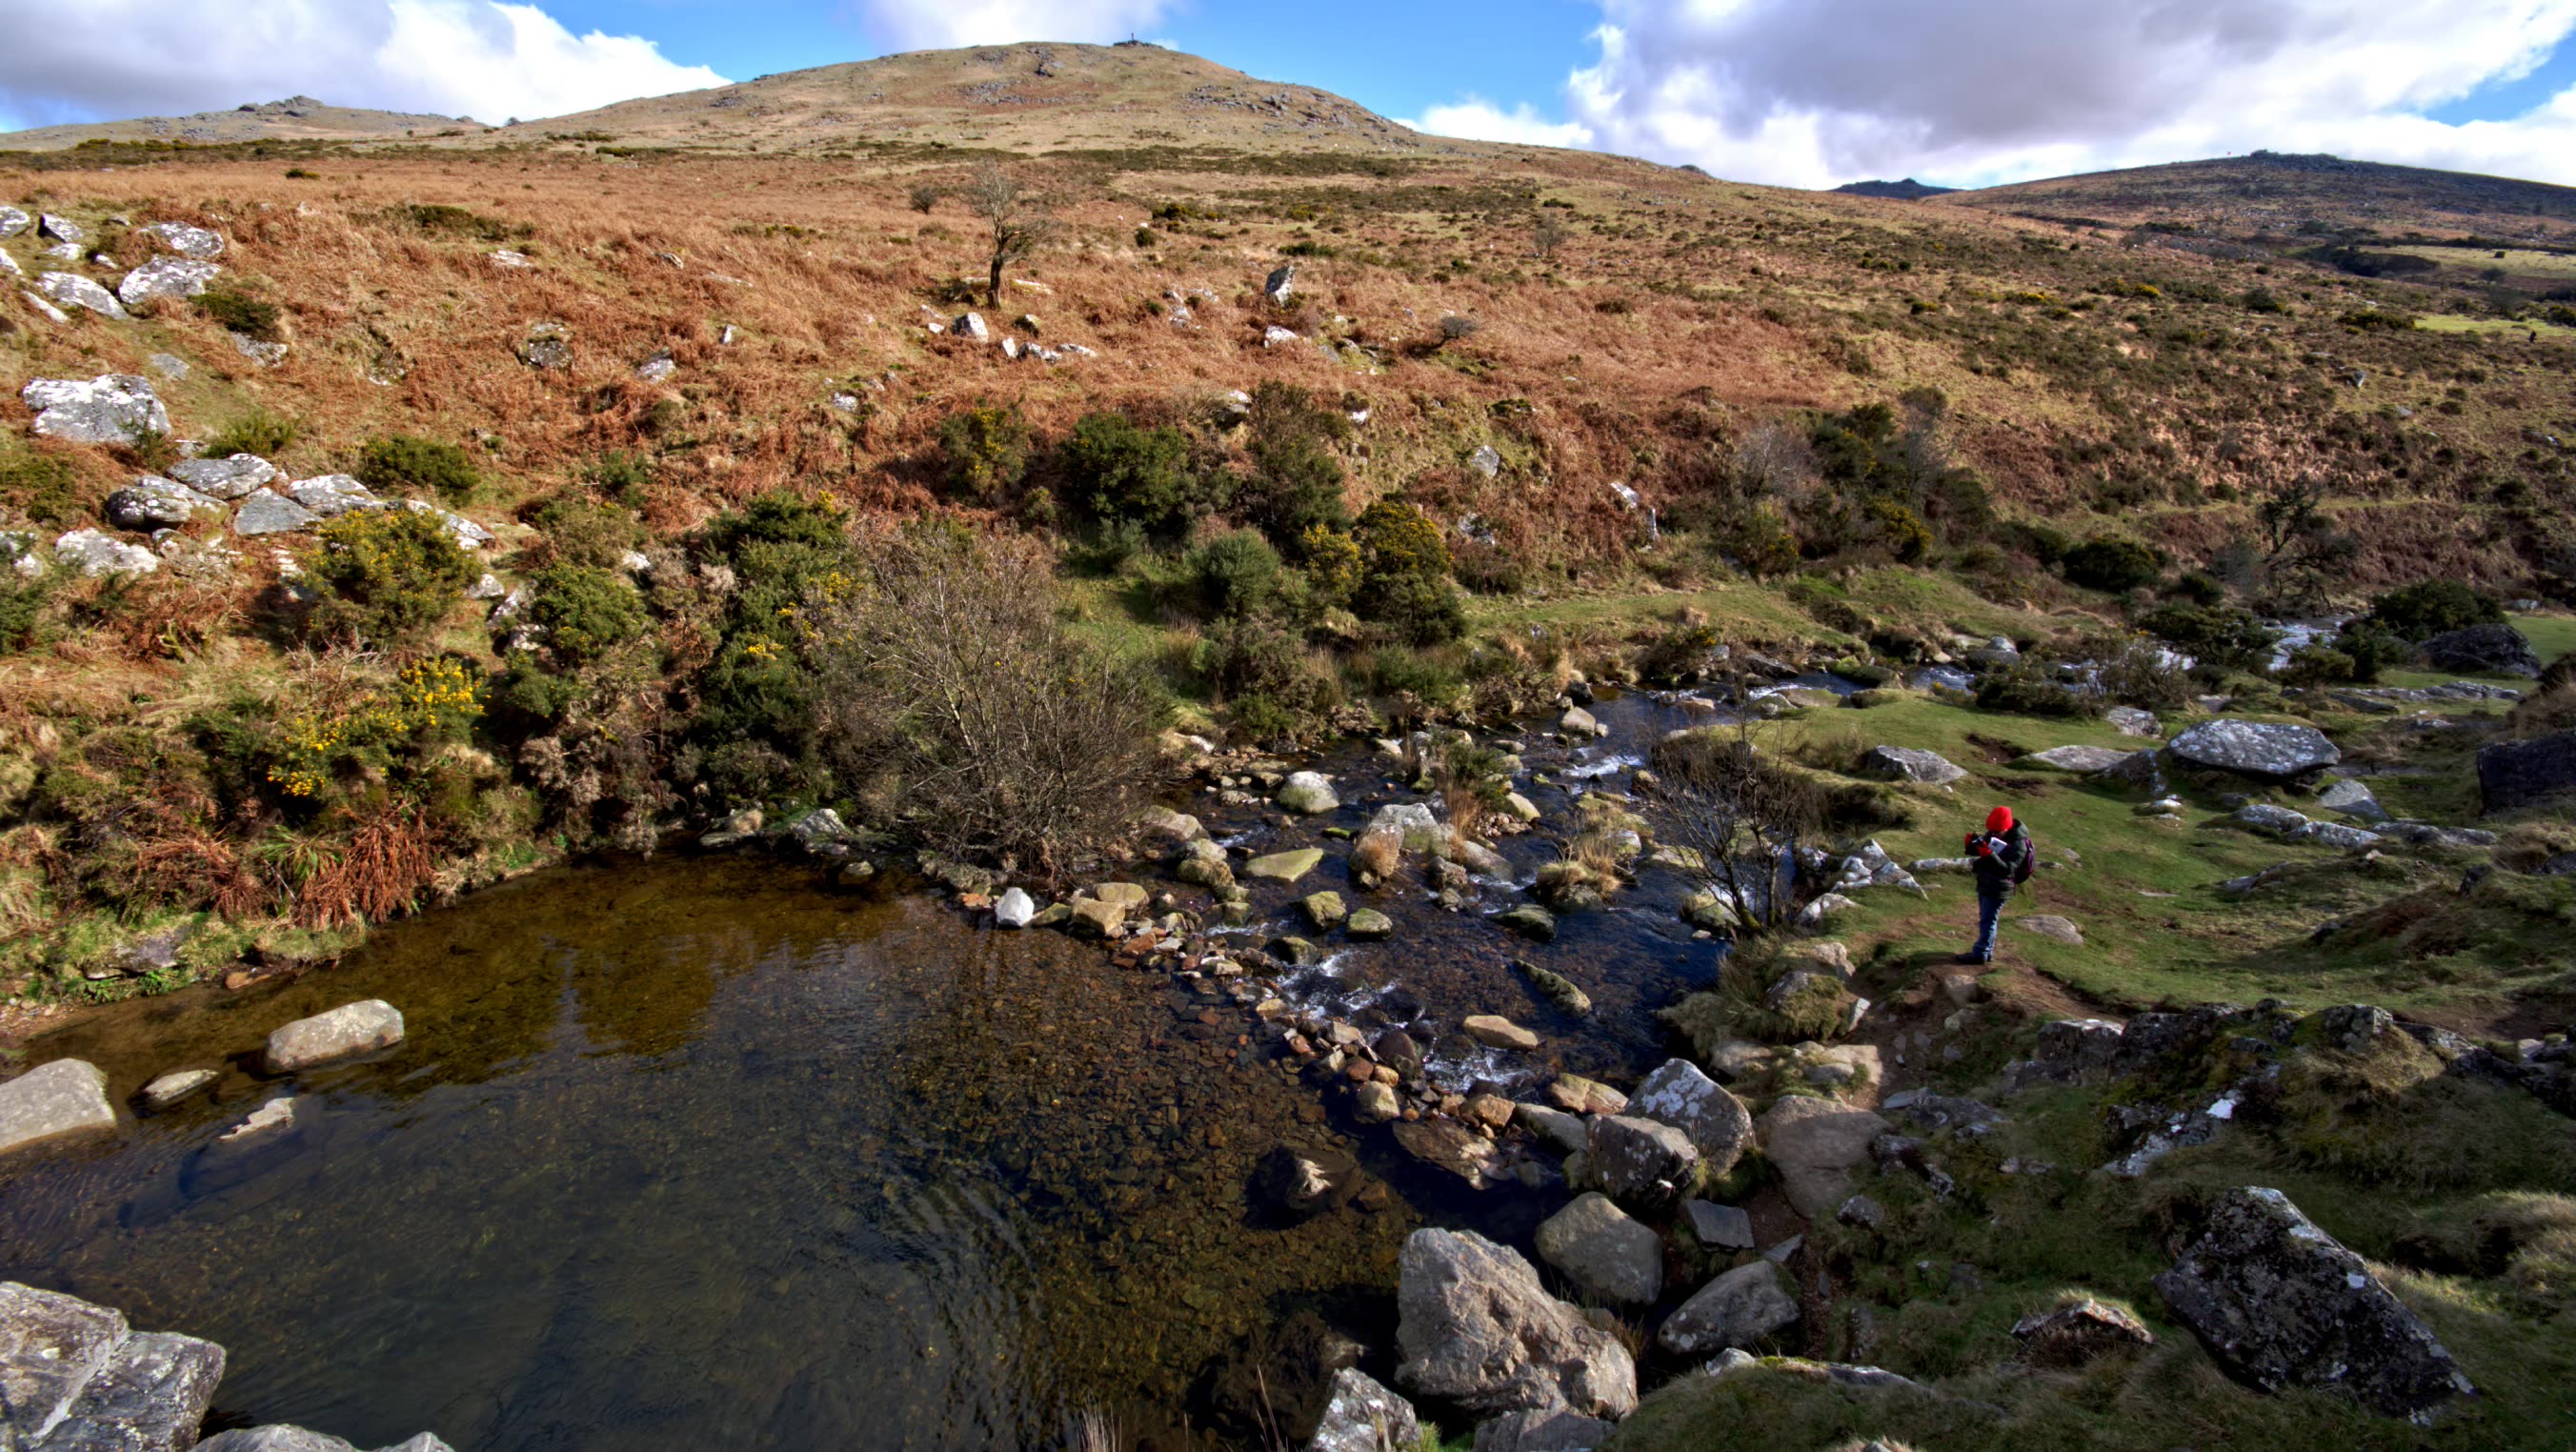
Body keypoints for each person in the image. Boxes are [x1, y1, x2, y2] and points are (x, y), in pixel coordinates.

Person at [1962, 804, 2030, 965]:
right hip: (1986, 882)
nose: (1993, 835)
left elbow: (2008, 870)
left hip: (2000, 887)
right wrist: (1971, 845)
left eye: (1997, 832)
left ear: (2007, 827)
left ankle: (1980, 954)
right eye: (1991, 832)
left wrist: (1989, 854)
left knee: (1988, 920)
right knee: (1986, 918)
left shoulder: (2019, 844)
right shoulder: (1995, 832)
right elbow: (1982, 851)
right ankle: (1986, 952)